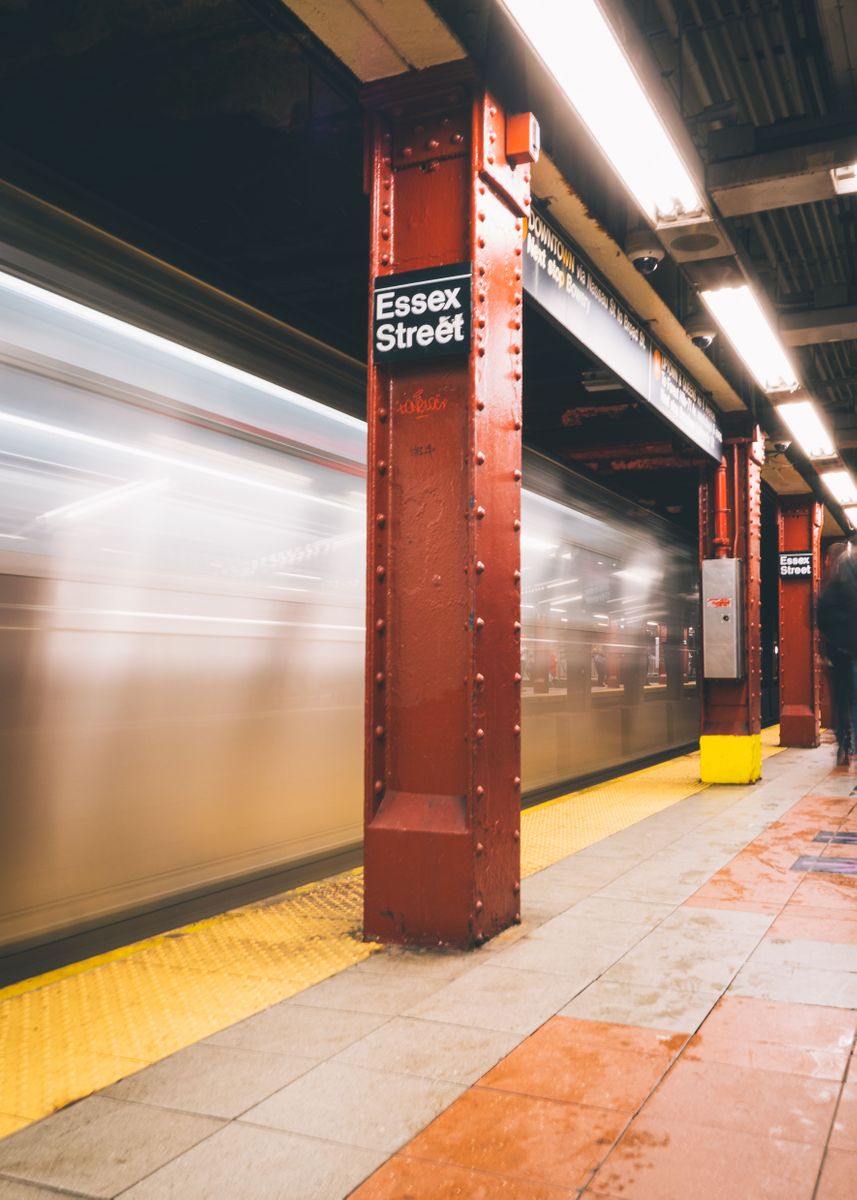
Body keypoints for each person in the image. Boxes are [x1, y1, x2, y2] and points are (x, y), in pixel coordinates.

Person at [818, 541, 857, 765]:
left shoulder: (829, 588)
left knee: (841, 701)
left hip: (837, 655)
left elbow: (820, 619)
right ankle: (848, 742)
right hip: (850, 653)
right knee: (852, 700)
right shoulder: (848, 584)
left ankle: (844, 743)